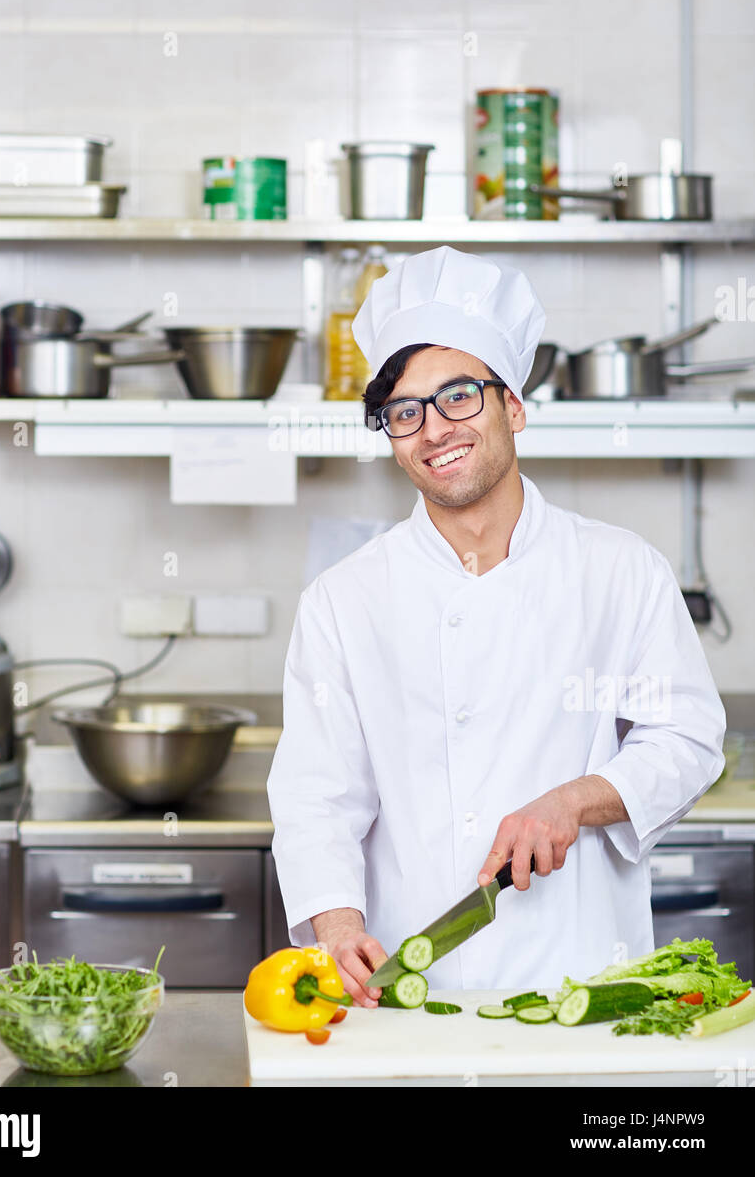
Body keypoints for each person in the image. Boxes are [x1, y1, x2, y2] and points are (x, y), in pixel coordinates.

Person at [267, 246, 725, 1005]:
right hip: (407, 990)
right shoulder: (343, 601)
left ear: (512, 405)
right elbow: (319, 795)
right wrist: (337, 926)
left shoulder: (620, 570)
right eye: (404, 412)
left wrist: (573, 800)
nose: (433, 428)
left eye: (459, 396)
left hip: (577, 984)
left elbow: (687, 738)